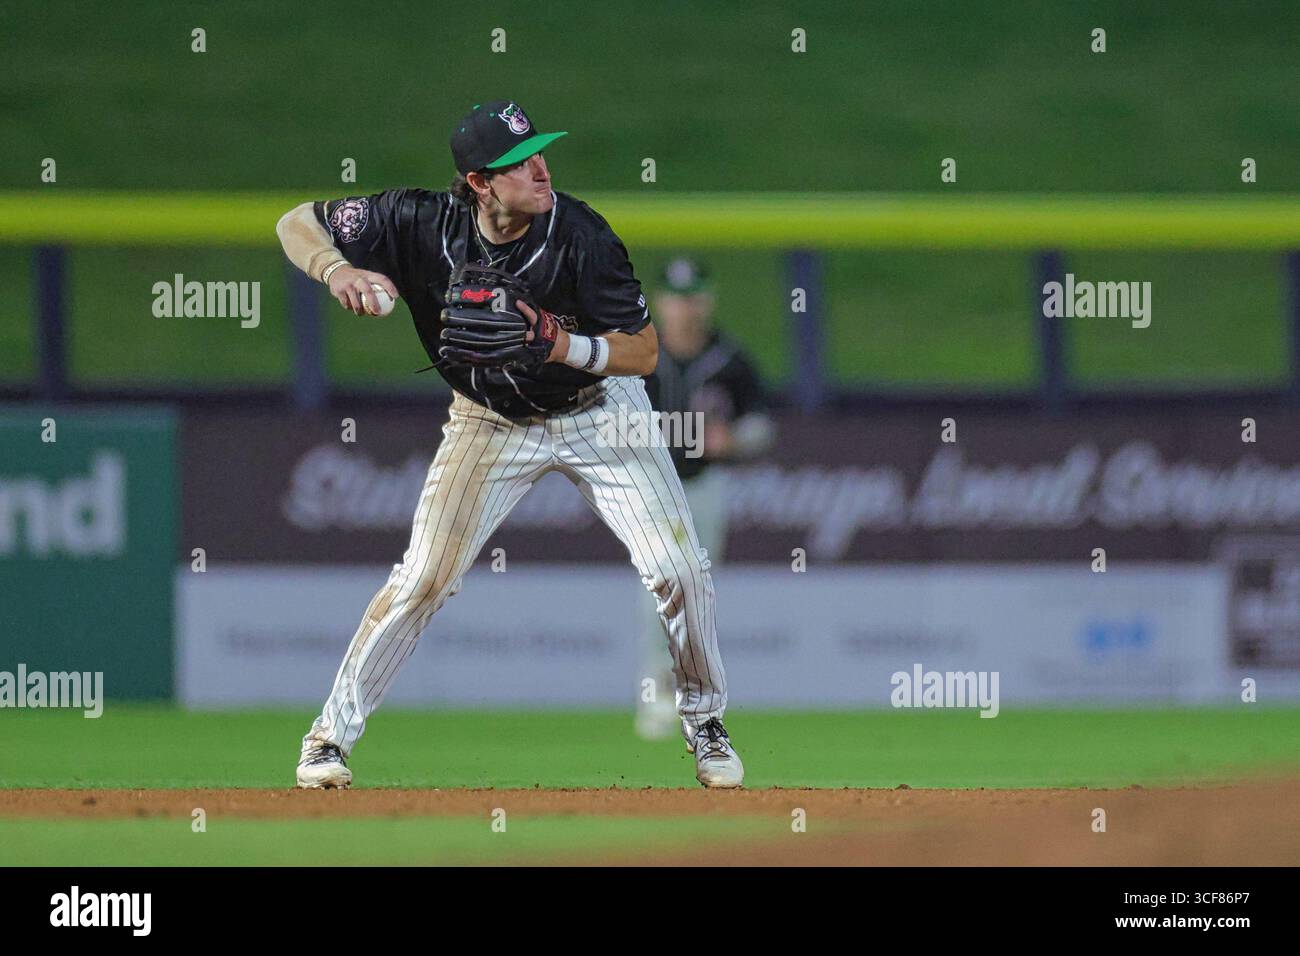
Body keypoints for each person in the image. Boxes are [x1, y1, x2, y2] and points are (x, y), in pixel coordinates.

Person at [274, 100, 743, 789]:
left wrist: (560, 342)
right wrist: (336, 272)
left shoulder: (581, 234)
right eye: (519, 162)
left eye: (540, 152)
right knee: (425, 577)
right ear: (479, 183)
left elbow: (642, 354)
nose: (540, 167)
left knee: (679, 568)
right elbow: (298, 222)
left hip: (598, 412)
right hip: (487, 420)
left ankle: (705, 723)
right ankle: (327, 741)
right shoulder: (416, 222)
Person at [636, 257, 774, 739]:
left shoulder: (729, 358)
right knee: (661, 584)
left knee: (696, 590)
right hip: (650, 486)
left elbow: (761, 423)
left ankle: (691, 694)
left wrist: (734, 440)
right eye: (676, 298)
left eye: (693, 297)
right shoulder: (638, 353)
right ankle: (658, 690)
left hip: (704, 484)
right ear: (660, 303)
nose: (685, 308)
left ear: (708, 300)